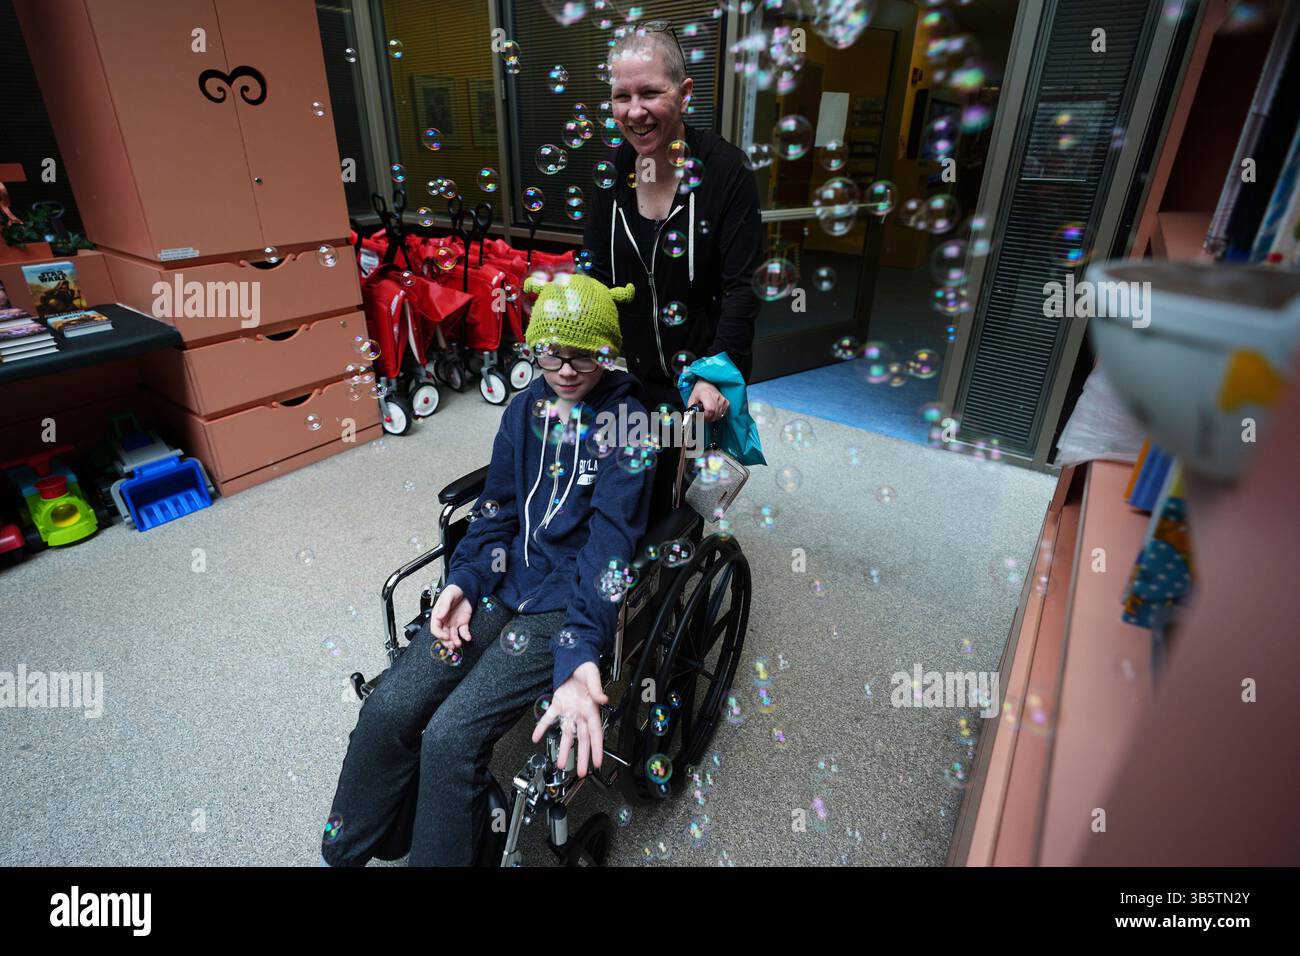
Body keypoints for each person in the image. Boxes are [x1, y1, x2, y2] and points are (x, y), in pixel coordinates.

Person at [320, 274, 653, 867]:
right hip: (502, 582)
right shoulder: (524, 409)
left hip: (565, 607)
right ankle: (354, 844)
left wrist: (580, 652)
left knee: (450, 737)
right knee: (390, 706)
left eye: (585, 355)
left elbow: (610, 547)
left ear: (608, 351)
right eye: (551, 352)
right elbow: (495, 512)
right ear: (533, 347)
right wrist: (463, 582)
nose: (567, 369)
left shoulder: (626, 423)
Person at [583, 20, 764, 512]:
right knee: (627, 491)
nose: (634, 112)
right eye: (622, 96)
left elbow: (742, 287)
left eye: (650, 93)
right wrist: (575, 343)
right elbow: (595, 275)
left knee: (684, 501)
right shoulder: (613, 174)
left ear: (684, 93)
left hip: (701, 376)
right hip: (631, 371)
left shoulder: (726, 172)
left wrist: (713, 372)